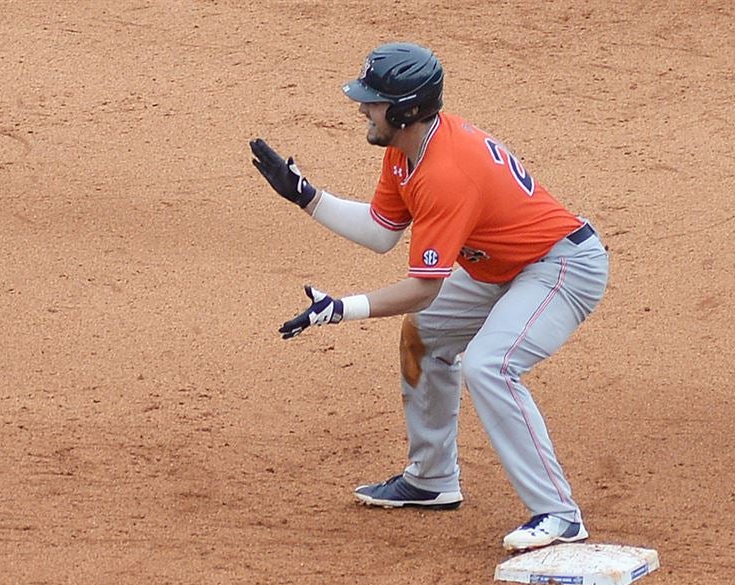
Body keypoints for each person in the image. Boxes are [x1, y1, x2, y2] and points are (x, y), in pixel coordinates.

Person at [249, 42, 609, 552]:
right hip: (499, 265)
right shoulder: (405, 152)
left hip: (559, 267)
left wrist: (341, 309)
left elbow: (424, 286)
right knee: (425, 335)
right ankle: (431, 479)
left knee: (490, 364)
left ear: (407, 110)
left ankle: (558, 512)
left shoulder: (446, 172)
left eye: (373, 101)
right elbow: (381, 231)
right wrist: (307, 196)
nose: (362, 108)